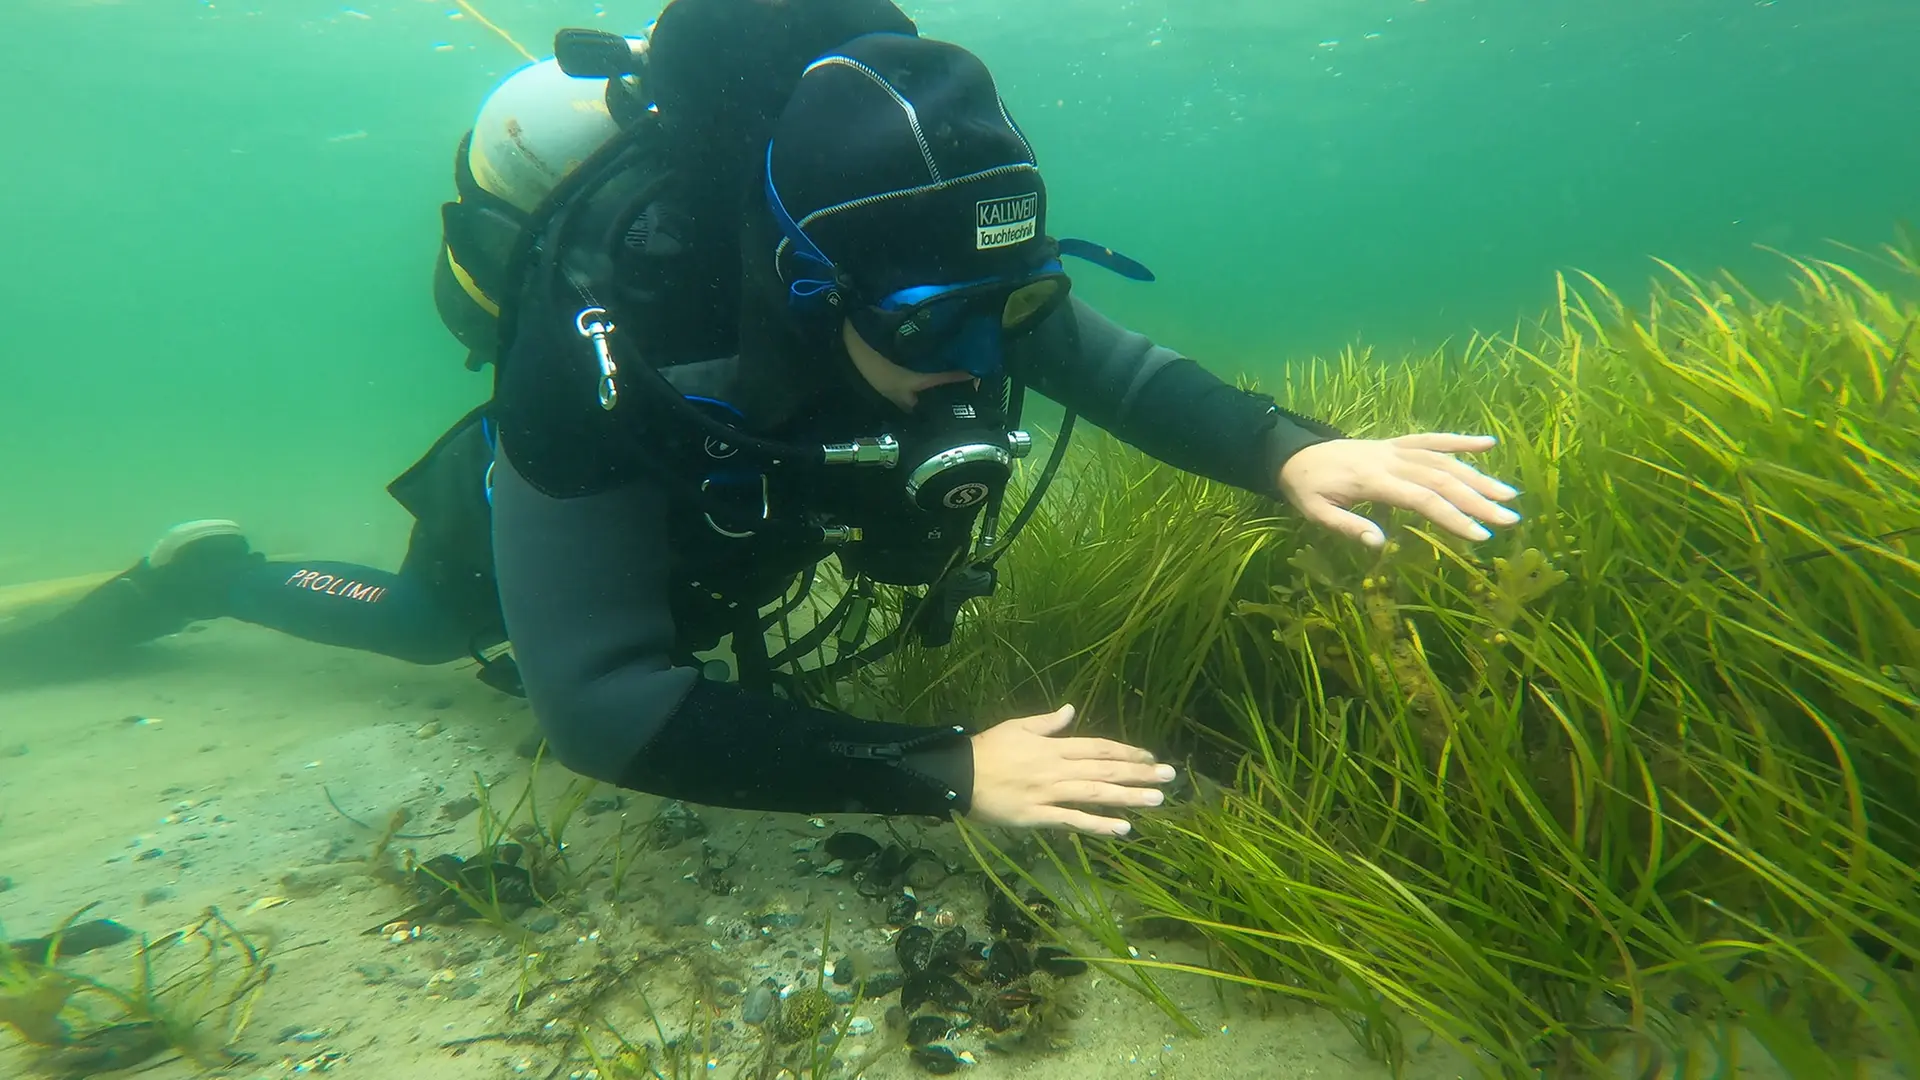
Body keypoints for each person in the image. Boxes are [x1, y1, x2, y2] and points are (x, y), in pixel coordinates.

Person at [0, 0, 1521, 838]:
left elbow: (1108, 368)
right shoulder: (605, 347)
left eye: (1012, 307)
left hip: (749, 489)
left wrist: (1291, 449)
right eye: (932, 330)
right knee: (425, 630)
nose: (988, 361)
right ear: (806, 288)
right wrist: (937, 769)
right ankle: (207, 577)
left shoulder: (942, 279)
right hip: (571, 507)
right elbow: (594, 705)